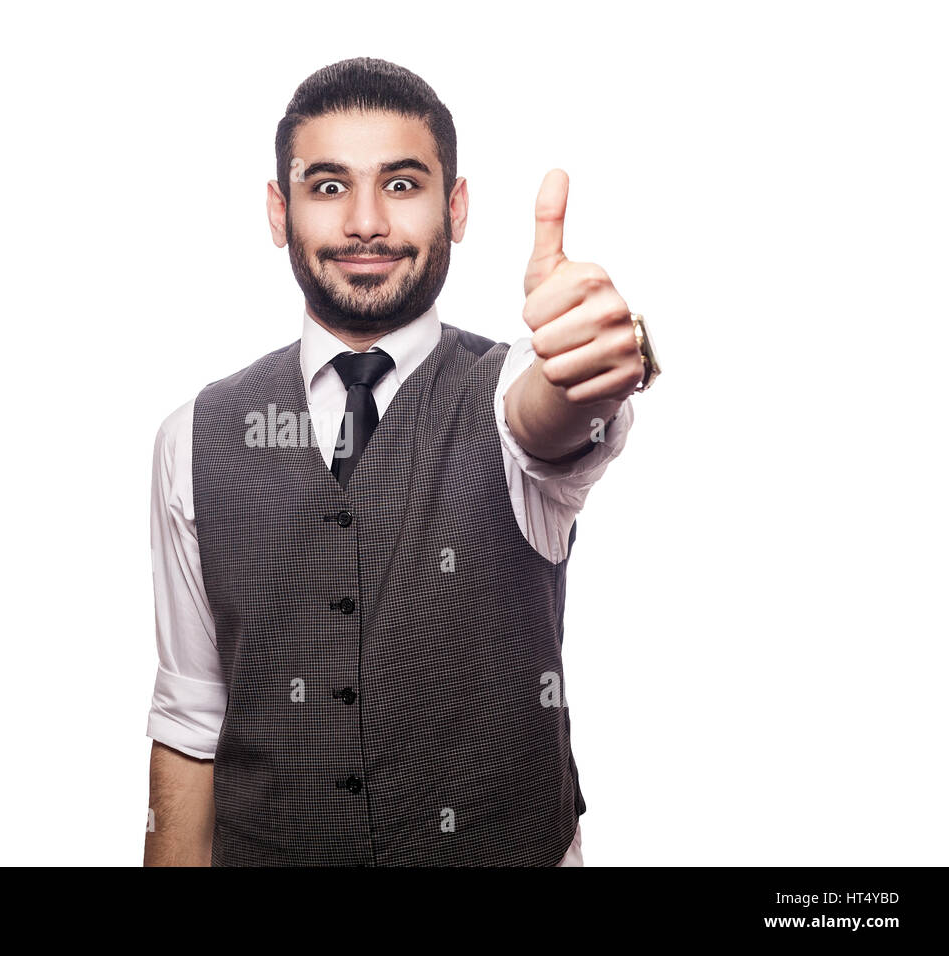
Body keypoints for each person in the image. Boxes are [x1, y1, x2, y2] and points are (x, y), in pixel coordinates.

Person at [143, 56, 659, 866]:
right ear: (279, 212)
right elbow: (188, 719)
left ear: (455, 207)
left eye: (402, 184)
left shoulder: (508, 391)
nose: (364, 224)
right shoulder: (192, 436)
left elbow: (547, 420)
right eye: (327, 187)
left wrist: (586, 370)